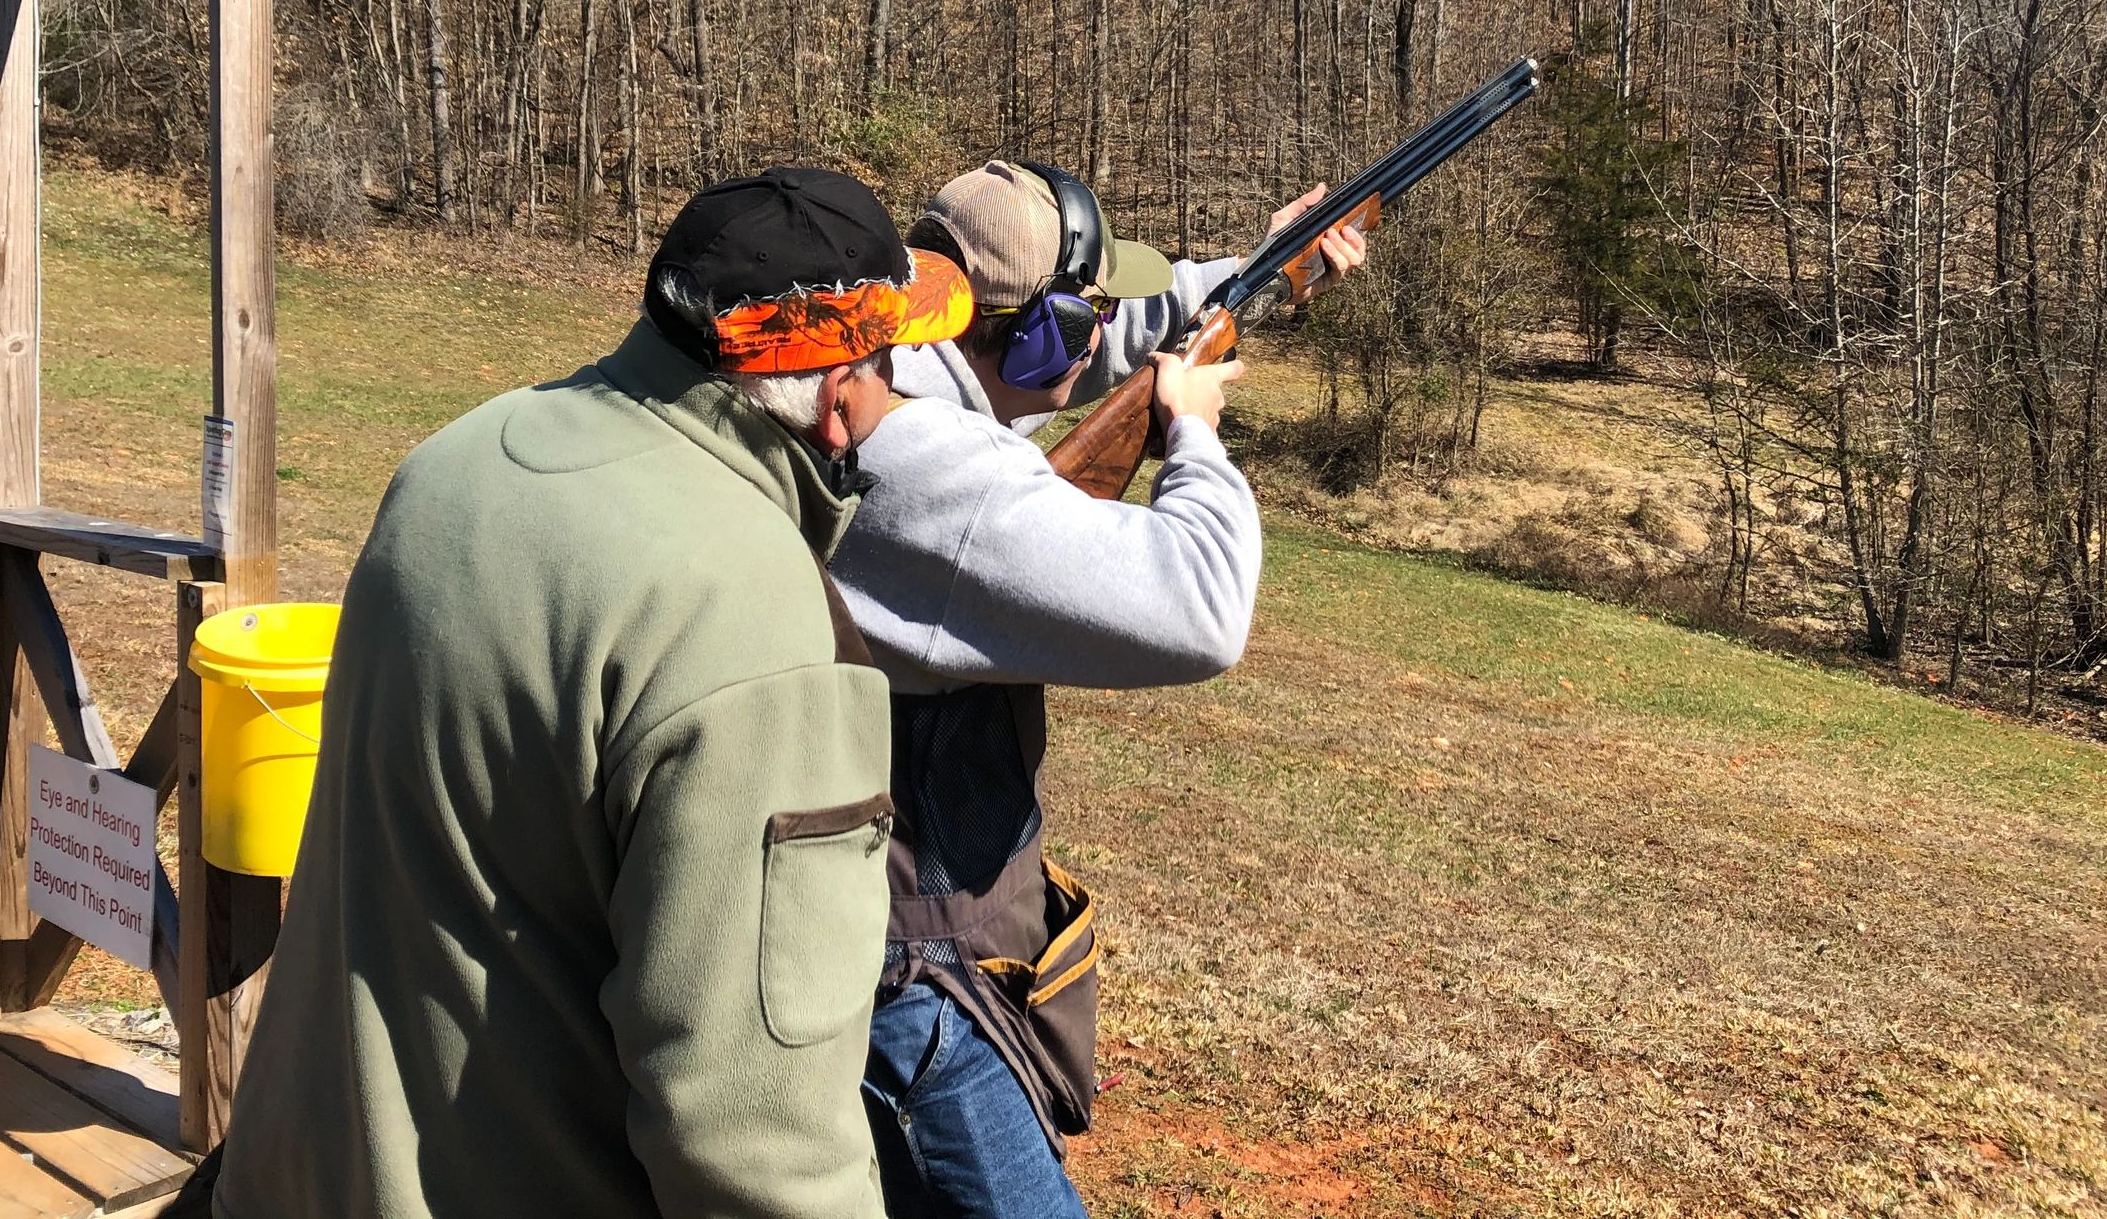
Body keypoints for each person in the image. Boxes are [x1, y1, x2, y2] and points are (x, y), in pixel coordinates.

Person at [211, 167, 973, 1219]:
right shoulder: (748, 613)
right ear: (843, 394)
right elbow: (756, 1133)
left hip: (293, 1178)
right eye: (893, 360)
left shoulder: (455, 461)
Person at [828, 160, 1364, 1217]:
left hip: (879, 945)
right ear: (1036, 335)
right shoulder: (941, 476)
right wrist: (1194, 433)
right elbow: (1200, 610)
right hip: (914, 986)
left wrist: (1264, 271)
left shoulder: (894, 375)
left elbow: (1097, 343)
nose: (1101, 337)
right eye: (1083, 319)